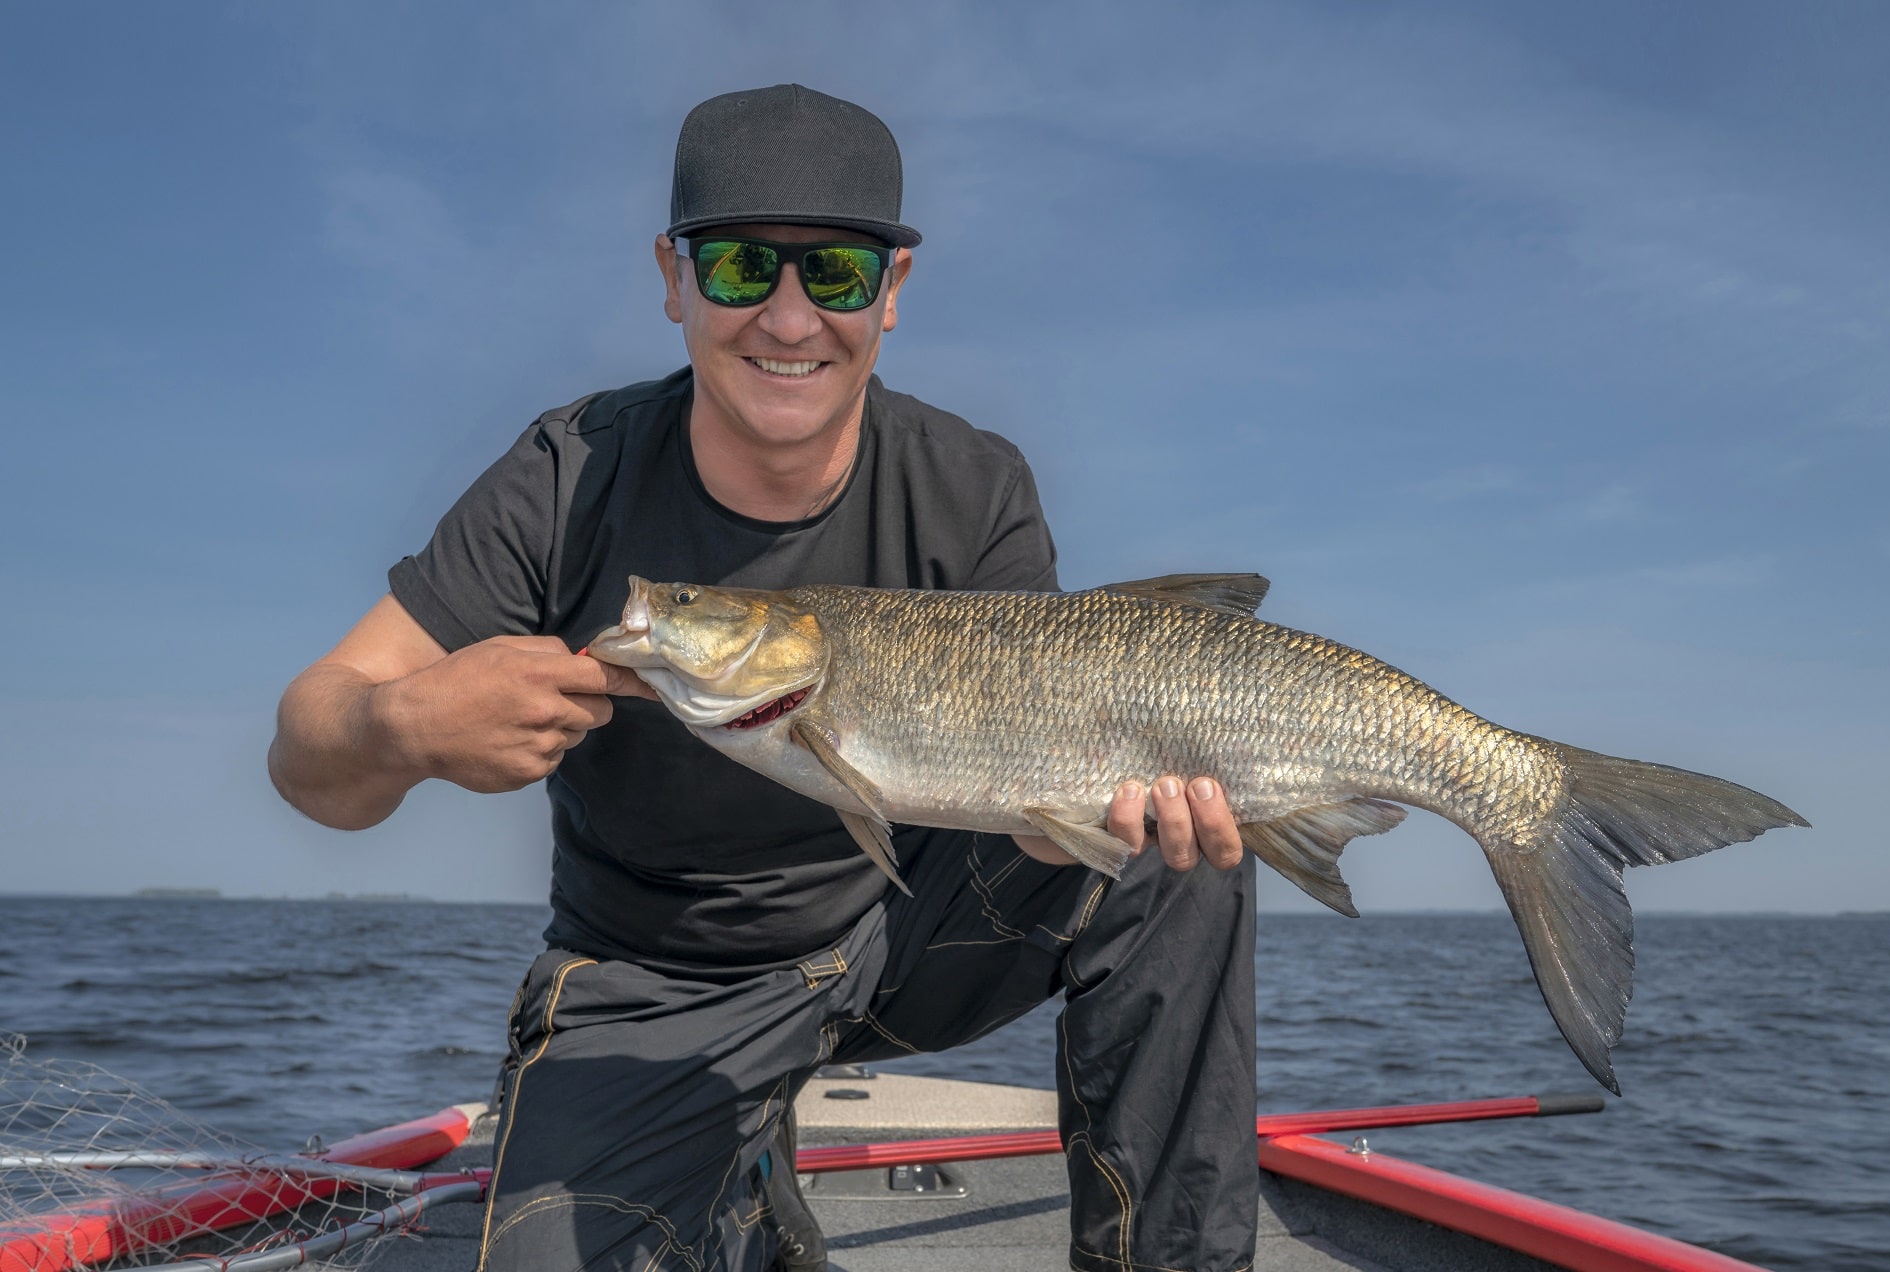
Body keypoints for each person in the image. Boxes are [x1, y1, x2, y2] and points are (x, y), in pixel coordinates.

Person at [269, 84, 1259, 1272]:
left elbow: (1039, 797)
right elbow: (305, 754)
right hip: (660, 986)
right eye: (743, 268)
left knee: (1175, 861)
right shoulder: (562, 473)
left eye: (833, 276)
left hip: (907, 930)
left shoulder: (975, 483)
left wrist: (1074, 827)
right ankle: (737, 1164)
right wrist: (400, 724)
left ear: (890, 295)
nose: (788, 321)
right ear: (673, 278)